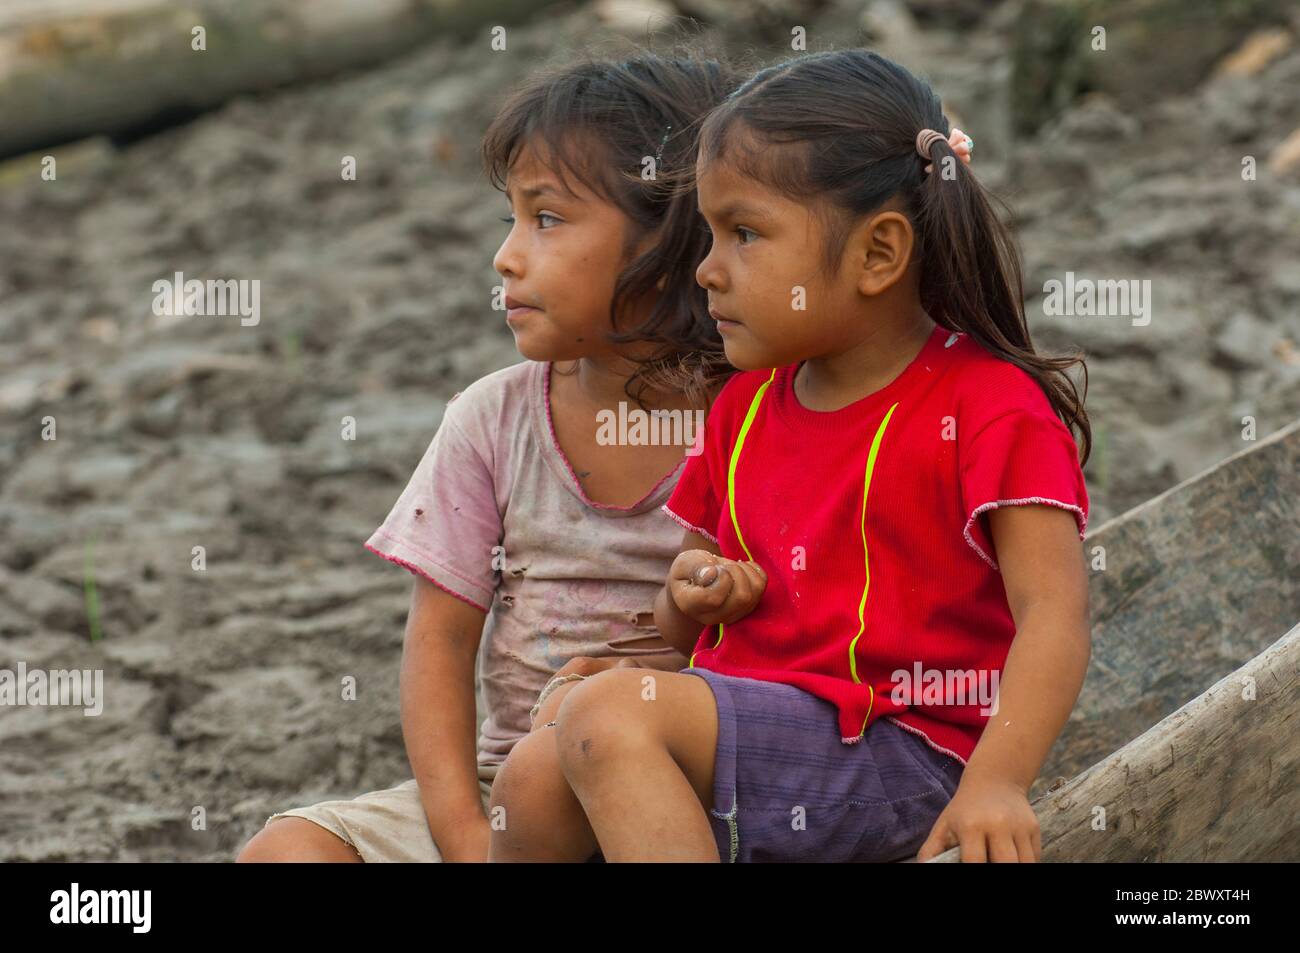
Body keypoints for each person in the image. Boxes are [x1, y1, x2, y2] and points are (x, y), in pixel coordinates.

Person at [487, 48, 1091, 863]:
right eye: (709, 233)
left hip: (903, 752)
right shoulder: (745, 410)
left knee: (608, 716)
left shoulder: (987, 407)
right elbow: (683, 622)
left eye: (744, 234)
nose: (706, 269)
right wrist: (696, 595)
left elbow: (1054, 615)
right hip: (770, 739)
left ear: (878, 254)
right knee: (533, 770)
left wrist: (997, 780)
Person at [237, 46, 740, 862]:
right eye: (509, 217)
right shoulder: (491, 419)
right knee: (286, 851)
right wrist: (467, 835)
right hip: (500, 790)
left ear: (672, 239)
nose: (506, 256)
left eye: (546, 218)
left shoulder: (753, 416)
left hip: (670, 797)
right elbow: (440, 640)